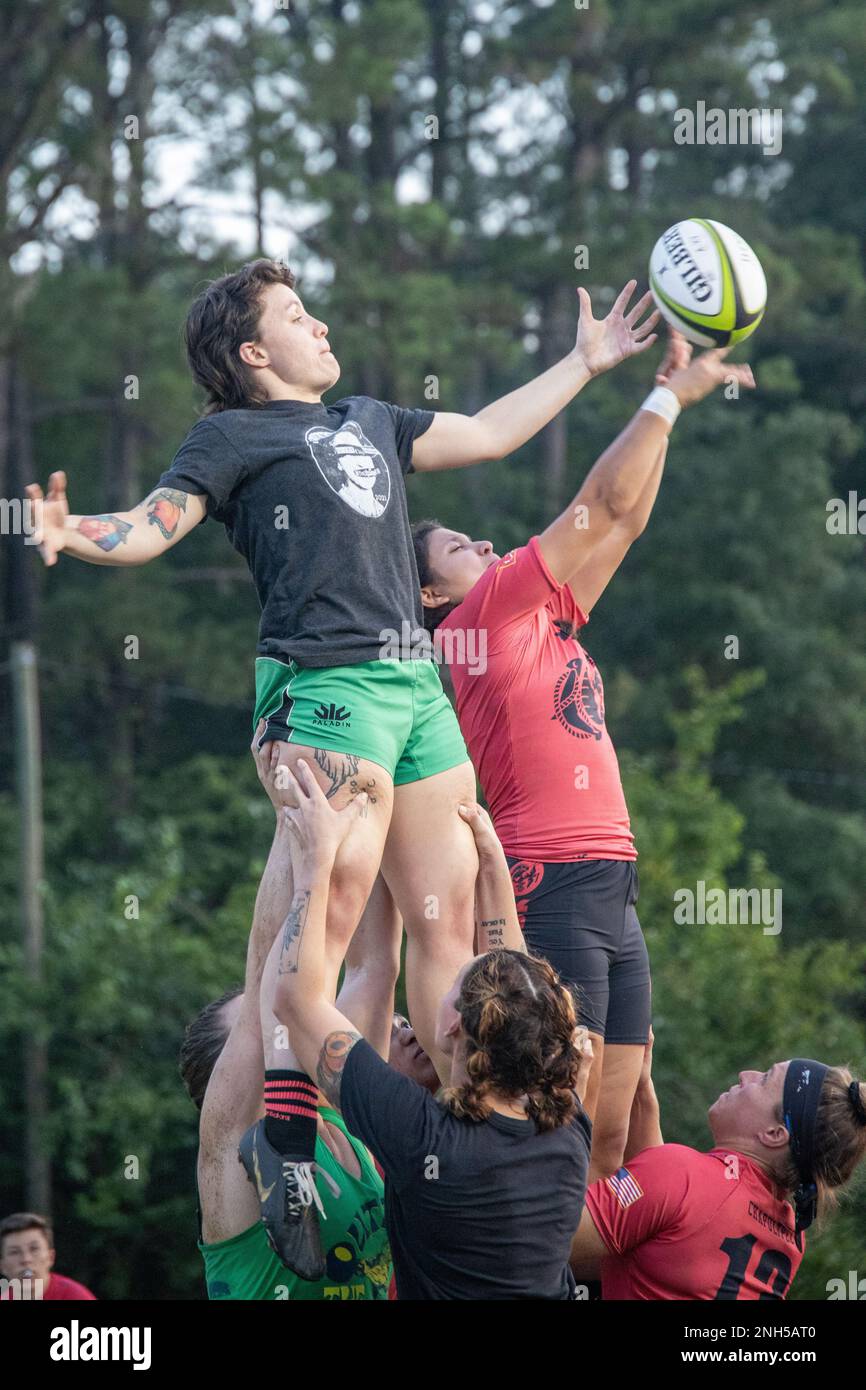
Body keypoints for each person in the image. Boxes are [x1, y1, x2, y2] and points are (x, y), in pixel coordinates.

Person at [25, 260, 657, 1266]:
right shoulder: (229, 437)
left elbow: (489, 430)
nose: (319, 324)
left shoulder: (369, 416)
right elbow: (152, 525)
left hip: (413, 687)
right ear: (251, 352)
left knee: (446, 924)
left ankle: (476, 1114)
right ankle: (288, 1144)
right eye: (295, 315)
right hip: (324, 684)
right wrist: (74, 531)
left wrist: (584, 363)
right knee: (333, 903)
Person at [412, 334, 755, 1180]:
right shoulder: (477, 622)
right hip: (553, 879)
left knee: (612, 1133)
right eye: (458, 548)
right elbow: (597, 504)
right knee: (566, 1121)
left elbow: (625, 520)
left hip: (611, 880)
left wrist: (667, 406)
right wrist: (666, 401)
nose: (483, 546)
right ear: (429, 594)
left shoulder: (542, 616)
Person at [256, 752, 594, 1301]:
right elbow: (520, 1006)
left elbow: (294, 1000)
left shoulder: (424, 1135)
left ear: (452, 1023)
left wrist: (315, 865)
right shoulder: (563, 1130)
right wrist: (493, 872)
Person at [179, 730, 398, 1297]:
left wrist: (378, 799)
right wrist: (290, 818)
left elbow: (374, 968)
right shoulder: (231, 1153)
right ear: (222, 1091)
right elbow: (268, 986)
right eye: (259, 1028)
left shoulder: (342, 1118)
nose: (283, 1026)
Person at [570, 1034, 866, 1300]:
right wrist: (642, 1093)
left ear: (774, 1134)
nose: (746, 1075)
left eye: (764, 1079)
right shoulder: (789, 1236)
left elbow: (553, 1236)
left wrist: (570, 1101)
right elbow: (669, 1222)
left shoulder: (683, 1176)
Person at [0, 1213, 96, 1301]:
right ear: (2, 1266)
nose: (26, 1259)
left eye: (34, 1249)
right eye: (14, 1252)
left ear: (51, 1257)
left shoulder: (75, 1296)